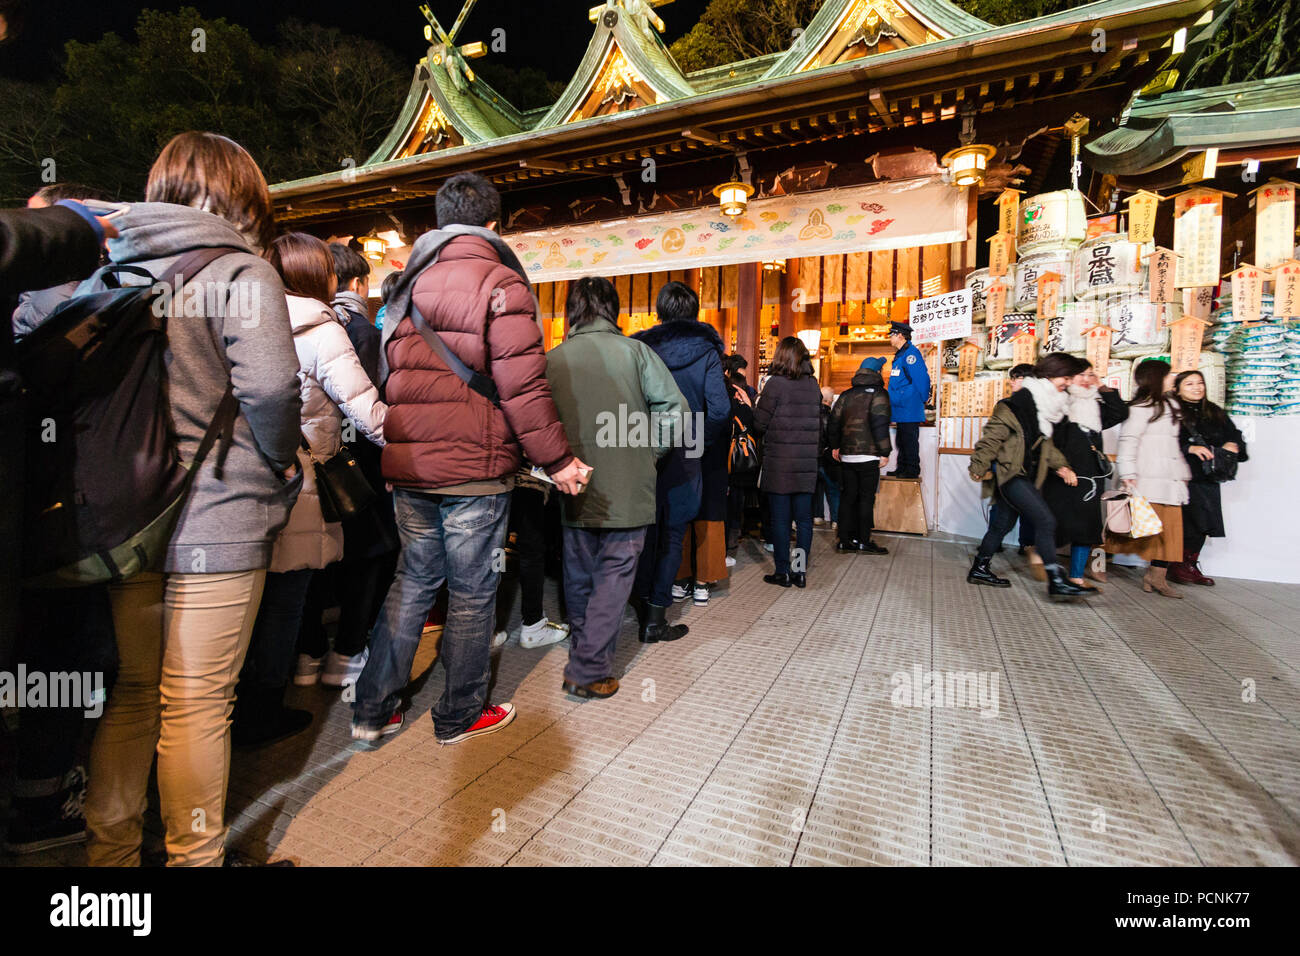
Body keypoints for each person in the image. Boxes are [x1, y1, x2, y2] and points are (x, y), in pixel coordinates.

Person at [55, 131, 304, 866]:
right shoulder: (239, 270)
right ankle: (197, 858)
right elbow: (270, 387)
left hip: (130, 516)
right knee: (197, 703)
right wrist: (282, 459)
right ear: (242, 196)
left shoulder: (114, 269)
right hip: (217, 515)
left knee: (134, 692)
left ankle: (112, 861)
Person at [351, 171, 588, 745]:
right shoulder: (502, 282)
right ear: (492, 224)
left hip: (410, 464)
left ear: (439, 222)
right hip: (474, 468)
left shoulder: (407, 283)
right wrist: (557, 461)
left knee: (412, 582)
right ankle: (458, 713)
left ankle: (371, 710)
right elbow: (522, 385)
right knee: (473, 590)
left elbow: (391, 378)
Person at [233, 233, 387, 748]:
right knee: (285, 599)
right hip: (298, 480)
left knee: (251, 599)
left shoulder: (243, 317)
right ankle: (263, 710)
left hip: (241, 481)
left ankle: (247, 702)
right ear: (314, 275)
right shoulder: (324, 330)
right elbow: (368, 413)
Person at [546, 277, 688, 697]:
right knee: (615, 573)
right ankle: (589, 669)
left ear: (572, 311)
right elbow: (674, 409)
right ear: (614, 309)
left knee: (578, 573)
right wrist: (649, 451)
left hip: (571, 481)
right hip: (628, 485)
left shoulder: (552, 359)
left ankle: (583, 651)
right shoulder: (637, 352)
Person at [295, 243, 397, 688]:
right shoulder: (355, 330)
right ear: (356, 283)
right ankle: (348, 651)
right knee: (372, 552)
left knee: (312, 559)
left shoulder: (278, 324)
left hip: (305, 463)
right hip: (357, 465)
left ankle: (307, 654)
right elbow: (374, 407)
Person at [631, 282, 730, 633]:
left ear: (659, 311)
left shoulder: (640, 348)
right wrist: (696, 440)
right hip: (687, 451)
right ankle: (656, 617)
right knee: (674, 533)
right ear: (694, 312)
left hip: (643, 450)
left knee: (642, 531)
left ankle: (639, 604)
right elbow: (720, 409)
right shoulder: (706, 352)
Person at [967, 353, 1086, 601]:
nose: (1068, 383)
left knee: (1001, 525)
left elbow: (1044, 445)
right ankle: (1056, 580)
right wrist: (978, 466)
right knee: (1046, 521)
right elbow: (991, 439)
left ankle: (979, 569)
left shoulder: (1044, 408)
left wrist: (1061, 466)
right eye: (1065, 378)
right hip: (1011, 475)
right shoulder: (1012, 406)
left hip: (1029, 475)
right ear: (1051, 375)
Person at [1105, 359, 1192, 598]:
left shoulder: (1172, 405)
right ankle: (1096, 565)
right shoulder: (1140, 408)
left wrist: (1182, 472)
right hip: (1146, 479)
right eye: (1168, 374)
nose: (1173, 377)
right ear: (1155, 378)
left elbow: (1172, 445)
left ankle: (1156, 579)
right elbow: (1128, 441)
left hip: (1169, 479)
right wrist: (1128, 473)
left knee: (1170, 533)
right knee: (1126, 530)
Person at [1042, 357, 1128, 592]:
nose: (1086, 379)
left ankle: (1077, 576)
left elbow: (1120, 411)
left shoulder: (1096, 406)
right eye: (1081, 374)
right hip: (1061, 474)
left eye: (1090, 374)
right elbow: (1045, 441)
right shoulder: (1058, 403)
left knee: (1086, 527)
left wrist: (1102, 387)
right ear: (1068, 377)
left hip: (1090, 476)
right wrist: (1059, 467)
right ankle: (1052, 573)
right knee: (1054, 524)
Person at [754, 336, 822, 588]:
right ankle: (799, 571)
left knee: (781, 521)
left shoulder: (775, 385)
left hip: (780, 464)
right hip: (806, 465)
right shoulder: (813, 385)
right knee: (803, 521)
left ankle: (782, 571)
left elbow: (759, 424)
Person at [1168, 369, 1246, 587]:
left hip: (1209, 475)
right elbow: (1161, 441)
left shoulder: (1214, 411)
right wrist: (1189, 448)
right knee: (1185, 522)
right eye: (1189, 384)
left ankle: (1188, 564)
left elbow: (1235, 435)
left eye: (1200, 383)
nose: (1197, 387)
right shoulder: (1172, 412)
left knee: (1204, 523)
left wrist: (1234, 445)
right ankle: (1175, 564)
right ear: (1177, 389)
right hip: (1182, 475)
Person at [826, 356, 892, 555]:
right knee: (865, 498)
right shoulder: (879, 394)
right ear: (877, 373)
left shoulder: (845, 395)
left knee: (848, 497)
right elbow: (880, 424)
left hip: (847, 456)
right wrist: (885, 451)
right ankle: (863, 540)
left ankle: (844, 540)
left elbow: (833, 422)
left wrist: (835, 446)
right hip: (868, 456)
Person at [987, 363, 1040, 563]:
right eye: (1012, 377)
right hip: (1004, 462)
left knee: (1029, 505)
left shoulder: (1039, 406)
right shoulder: (1005, 403)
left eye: (1016, 377)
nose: (1012, 381)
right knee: (1000, 504)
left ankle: (1027, 543)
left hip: (1029, 463)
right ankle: (994, 542)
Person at [723, 354, 758, 565]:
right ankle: (729, 549)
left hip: (724, 463)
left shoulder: (720, 398)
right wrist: (748, 406)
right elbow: (752, 426)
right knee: (734, 507)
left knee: (727, 507)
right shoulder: (740, 400)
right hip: (738, 463)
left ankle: (725, 549)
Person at [885, 321, 930, 479]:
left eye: (892, 335)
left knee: (909, 440)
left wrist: (923, 399)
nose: (890, 338)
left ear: (900, 335)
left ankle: (911, 469)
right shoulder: (901, 354)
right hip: (901, 407)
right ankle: (902, 467)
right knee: (902, 440)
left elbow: (922, 379)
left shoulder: (911, 354)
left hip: (909, 406)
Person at [816, 386, 842, 527]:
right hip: (828, 459)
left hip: (813, 458)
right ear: (831, 400)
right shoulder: (833, 417)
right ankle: (835, 520)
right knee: (833, 490)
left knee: (815, 490)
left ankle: (817, 516)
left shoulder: (811, 414)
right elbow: (834, 438)